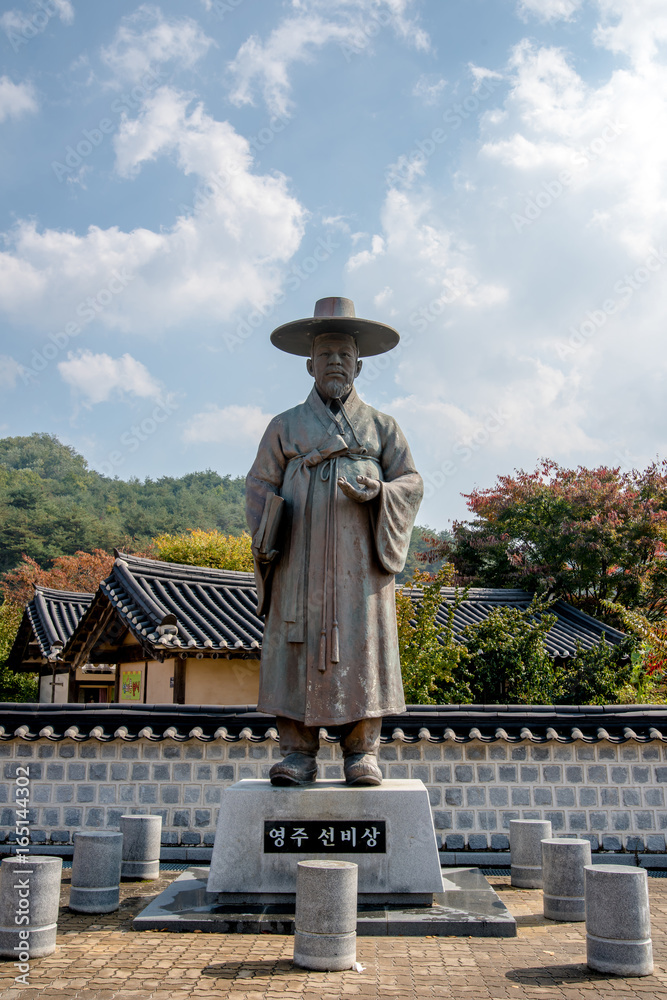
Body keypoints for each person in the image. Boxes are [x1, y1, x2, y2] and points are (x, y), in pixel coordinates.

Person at [246, 297, 423, 786]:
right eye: (326, 356)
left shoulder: (383, 426)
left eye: (345, 355)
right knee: (292, 641)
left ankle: (361, 751)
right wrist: (270, 533)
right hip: (299, 563)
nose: (336, 364)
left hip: (360, 565)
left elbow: (411, 482)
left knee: (363, 644)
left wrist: (380, 492)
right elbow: (259, 484)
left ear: (360, 365)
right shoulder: (284, 426)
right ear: (309, 364)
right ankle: (296, 752)